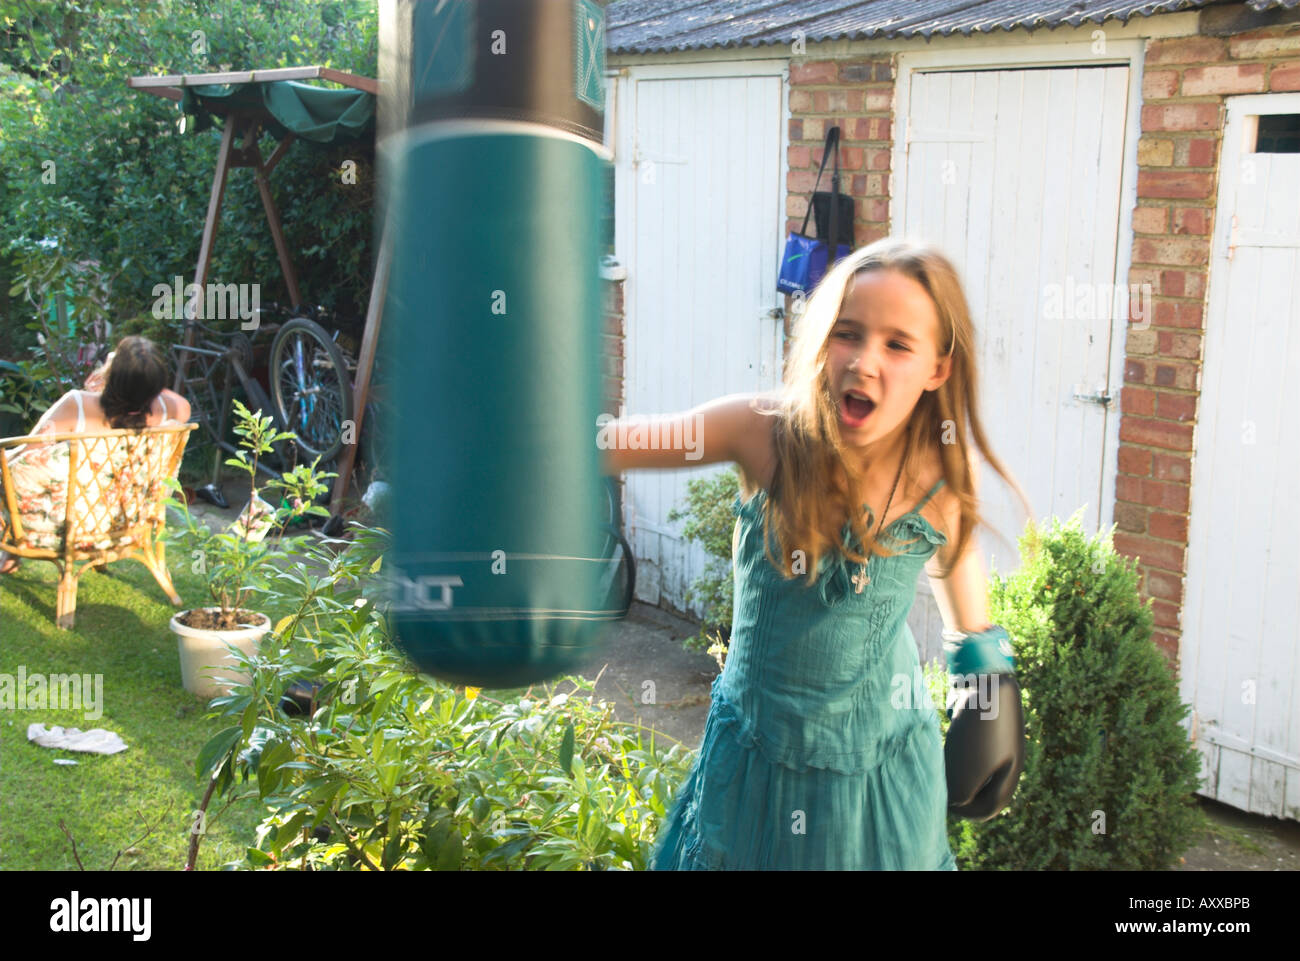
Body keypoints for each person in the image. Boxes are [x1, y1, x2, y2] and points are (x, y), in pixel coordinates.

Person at [598, 237, 1032, 869]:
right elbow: (615, 444)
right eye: (847, 334)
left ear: (938, 367)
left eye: (897, 344)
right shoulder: (761, 432)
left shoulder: (939, 469)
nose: (863, 362)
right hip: (758, 769)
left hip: (881, 779)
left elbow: (954, 555)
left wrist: (988, 680)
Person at [0, 335, 191, 573]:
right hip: (126, 521)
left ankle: (10, 549)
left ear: (113, 372)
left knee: (11, 471)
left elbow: (26, 452)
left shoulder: (77, 405)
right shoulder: (170, 409)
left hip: (64, 527)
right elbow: (180, 403)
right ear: (156, 383)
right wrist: (143, 377)